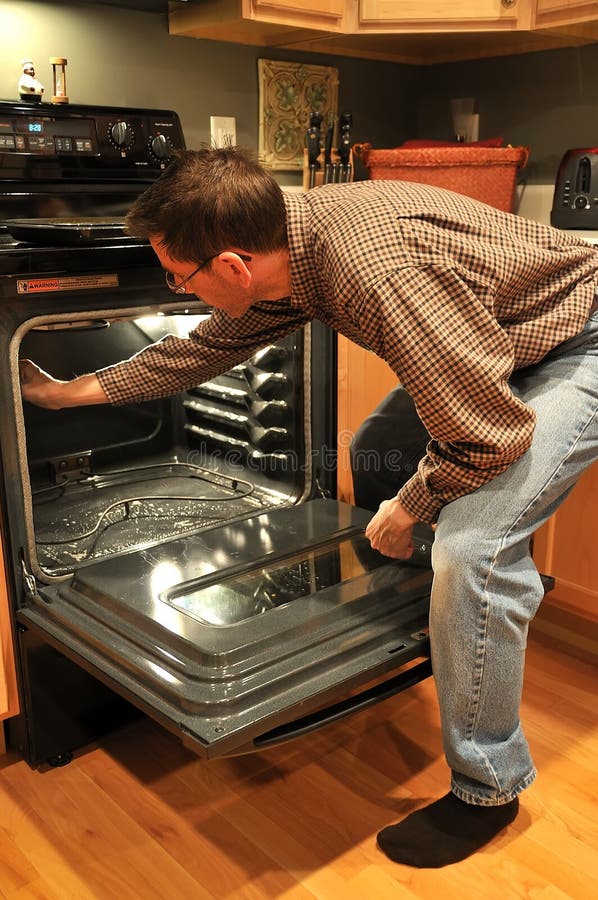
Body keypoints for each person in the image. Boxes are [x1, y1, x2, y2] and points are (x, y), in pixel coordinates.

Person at [20, 146, 598, 868]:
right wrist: (68, 391)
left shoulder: (376, 275)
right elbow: (197, 352)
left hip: (579, 338)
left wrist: (413, 506)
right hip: (501, 334)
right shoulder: (286, 242)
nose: (176, 287)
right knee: (381, 441)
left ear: (233, 266)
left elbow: (489, 435)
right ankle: (446, 626)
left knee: (472, 547)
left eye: (178, 276)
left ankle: (487, 784)